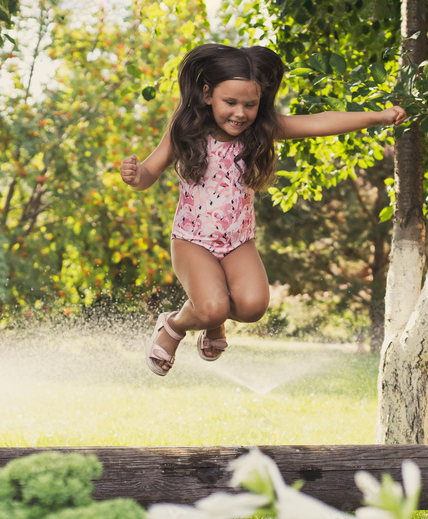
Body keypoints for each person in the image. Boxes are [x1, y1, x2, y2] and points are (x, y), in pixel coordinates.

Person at [121, 43, 407, 376]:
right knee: (213, 308)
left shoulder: (261, 131)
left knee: (253, 307)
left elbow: (319, 122)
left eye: (250, 104)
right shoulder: (185, 131)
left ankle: (212, 318)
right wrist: (135, 174)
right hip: (191, 240)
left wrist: (379, 117)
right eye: (230, 102)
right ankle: (174, 325)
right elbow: (147, 175)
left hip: (239, 242)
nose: (240, 113)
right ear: (207, 93)